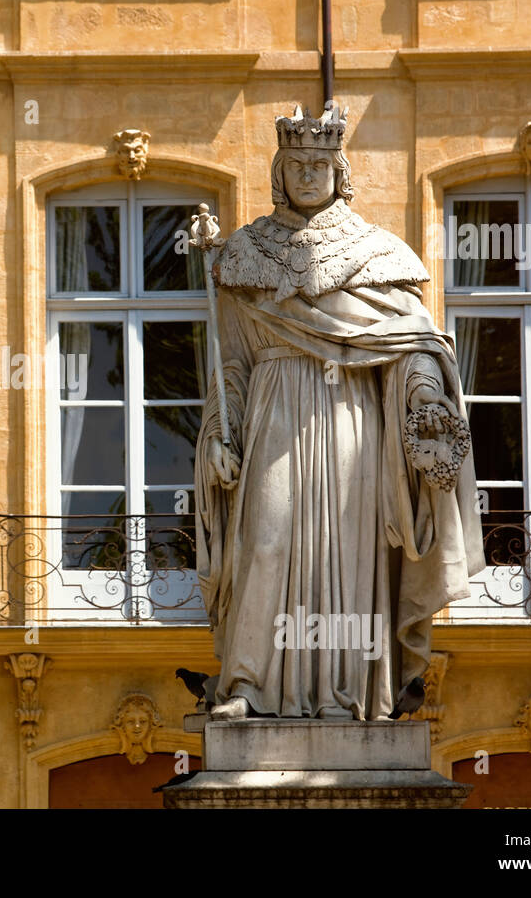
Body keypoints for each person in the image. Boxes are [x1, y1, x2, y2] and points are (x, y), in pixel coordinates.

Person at [195, 102, 485, 721]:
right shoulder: (244, 254)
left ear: (339, 168)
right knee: (266, 541)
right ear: (279, 169)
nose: (307, 173)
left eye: (320, 162)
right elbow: (232, 364)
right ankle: (248, 685)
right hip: (274, 413)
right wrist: (223, 431)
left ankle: (344, 694)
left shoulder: (378, 253)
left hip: (351, 419)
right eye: (296, 162)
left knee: (347, 555)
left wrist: (425, 401)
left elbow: (413, 347)